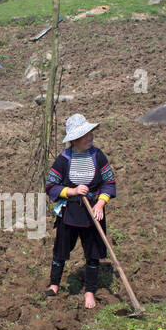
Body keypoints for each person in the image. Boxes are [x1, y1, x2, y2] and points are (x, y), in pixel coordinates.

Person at [45, 114, 116, 309]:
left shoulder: (98, 156)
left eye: (90, 133)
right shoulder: (64, 159)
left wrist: (101, 203)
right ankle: (54, 285)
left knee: (92, 254)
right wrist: (72, 191)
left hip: (93, 213)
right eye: (85, 135)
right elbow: (50, 186)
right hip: (70, 213)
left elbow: (109, 183)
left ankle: (90, 292)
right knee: (60, 251)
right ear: (75, 139)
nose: (90, 137)